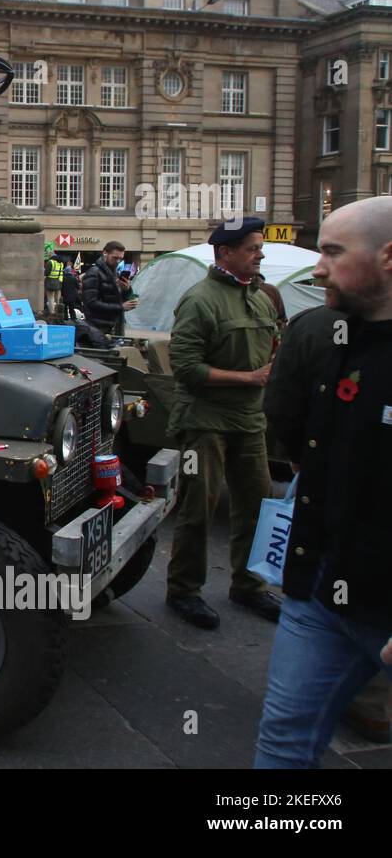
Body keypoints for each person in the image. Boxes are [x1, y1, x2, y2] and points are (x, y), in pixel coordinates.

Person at [254, 196, 392, 768]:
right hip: (319, 591)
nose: (317, 267)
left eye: (333, 252)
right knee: (283, 737)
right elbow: (291, 425)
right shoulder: (326, 334)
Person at [165, 217, 280, 630]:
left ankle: (248, 585)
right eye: (252, 248)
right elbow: (185, 367)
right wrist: (247, 378)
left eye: (259, 248)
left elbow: (269, 347)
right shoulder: (200, 300)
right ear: (225, 253)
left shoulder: (262, 298)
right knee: (199, 506)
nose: (260, 254)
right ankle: (183, 590)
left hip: (249, 420)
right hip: (204, 422)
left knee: (258, 505)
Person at [81, 241, 137, 335]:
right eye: (115, 257)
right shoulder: (94, 273)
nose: (118, 261)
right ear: (105, 253)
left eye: (120, 258)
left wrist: (126, 290)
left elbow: (116, 298)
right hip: (98, 327)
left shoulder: (114, 272)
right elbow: (91, 303)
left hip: (114, 325)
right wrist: (121, 307)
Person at [43, 244, 64, 318]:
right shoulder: (61, 263)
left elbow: (47, 273)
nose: (48, 256)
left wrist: (44, 272)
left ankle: (52, 312)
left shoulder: (50, 262)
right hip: (58, 282)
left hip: (50, 282)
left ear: (50, 255)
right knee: (57, 299)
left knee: (50, 298)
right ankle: (58, 311)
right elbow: (61, 273)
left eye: (48, 255)